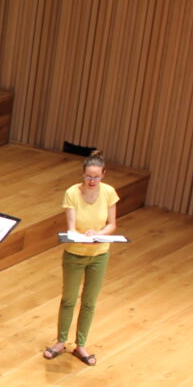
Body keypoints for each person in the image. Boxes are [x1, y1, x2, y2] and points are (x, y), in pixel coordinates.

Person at [43, 151, 119, 366]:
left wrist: (98, 234)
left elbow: (112, 224)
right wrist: (83, 235)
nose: (92, 181)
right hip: (75, 253)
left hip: (99, 254)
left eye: (96, 177)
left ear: (103, 174)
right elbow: (71, 227)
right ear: (82, 174)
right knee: (68, 299)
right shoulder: (72, 193)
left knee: (89, 302)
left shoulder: (109, 192)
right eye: (88, 176)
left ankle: (81, 344)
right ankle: (60, 342)